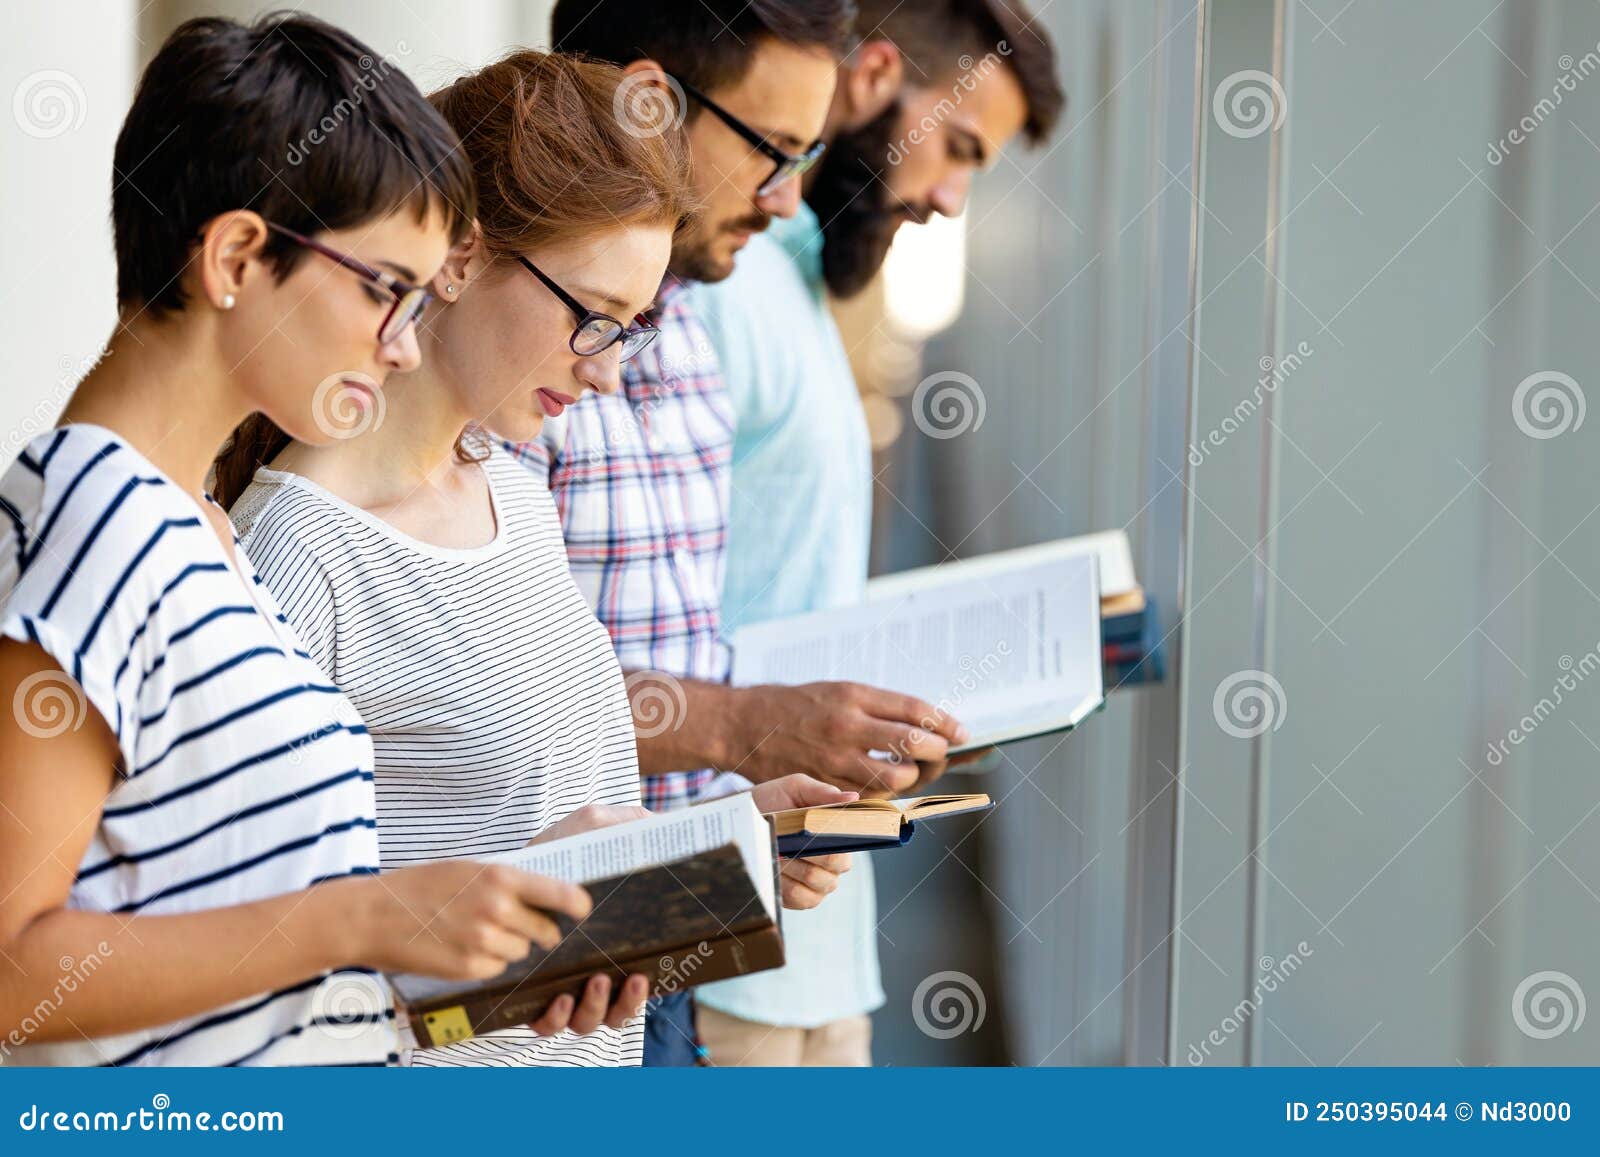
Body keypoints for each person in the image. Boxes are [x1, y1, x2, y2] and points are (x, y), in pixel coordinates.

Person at [213, 50, 856, 1069]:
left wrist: (722, 848)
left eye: (629, 329)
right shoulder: (296, 554)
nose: (604, 372)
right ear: (463, 258)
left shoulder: (511, 494)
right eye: (588, 316)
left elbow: (534, 842)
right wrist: (499, 951)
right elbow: (250, 965)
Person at [0, 14, 592, 1068]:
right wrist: (364, 917)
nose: (404, 347)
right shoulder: (93, 513)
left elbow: (247, 960)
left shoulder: (204, 532)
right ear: (236, 254)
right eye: (384, 289)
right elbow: (12, 971)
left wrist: (489, 919)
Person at [529, 0, 969, 1068]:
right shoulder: (517, 366)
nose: (785, 200)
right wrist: (740, 728)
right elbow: (510, 713)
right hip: (558, 979)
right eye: (771, 151)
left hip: (675, 943)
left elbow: (679, 639)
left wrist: (759, 808)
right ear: (644, 98)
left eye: (806, 156)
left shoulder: (683, 330)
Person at [686, 0, 1065, 1065]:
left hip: (817, 926)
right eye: (954, 150)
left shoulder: (799, 279)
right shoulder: (719, 285)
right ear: (884, 76)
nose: (950, 199)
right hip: (726, 925)